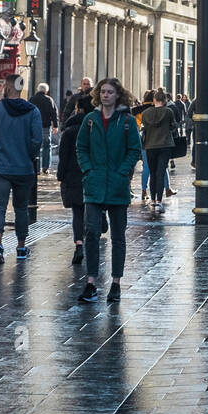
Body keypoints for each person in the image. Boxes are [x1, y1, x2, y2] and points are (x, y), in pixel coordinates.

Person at [75, 78, 142, 303]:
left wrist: (123, 172)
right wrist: (88, 169)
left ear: (117, 95)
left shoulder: (126, 121)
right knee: (91, 232)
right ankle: (91, 282)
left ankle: (116, 282)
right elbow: (81, 147)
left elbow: (135, 150)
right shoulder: (90, 120)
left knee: (118, 237)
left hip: (117, 186)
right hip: (93, 185)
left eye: (110, 92)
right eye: (102, 92)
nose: (105, 95)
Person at [0, 73, 42, 263]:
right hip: (23, 168)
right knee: (21, 208)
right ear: (21, 88)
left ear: (7, 88)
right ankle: (21, 246)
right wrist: (28, 156)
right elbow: (37, 141)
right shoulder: (33, 112)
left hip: (0, 167)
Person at [58, 95, 93, 266]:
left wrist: (60, 175)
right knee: (92, 209)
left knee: (77, 212)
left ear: (79, 109)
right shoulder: (95, 129)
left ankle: (79, 243)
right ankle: (93, 236)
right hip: (91, 174)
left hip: (72, 175)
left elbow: (62, 156)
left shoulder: (69, 131)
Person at [140, 89, 176, 214]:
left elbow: (143, 128)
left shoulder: (145, 113)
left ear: (154, 100)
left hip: (150, 145)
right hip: (165, 145)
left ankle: (153, 199)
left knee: (153, 173)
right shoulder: (168, 112)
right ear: (165, 100)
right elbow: (173, 126)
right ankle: (159, 201)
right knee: (161, 172)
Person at [31, 82, 59, 174]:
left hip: (34, 127)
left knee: (36, 147)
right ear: (46, 91)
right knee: (47, 146)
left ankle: (37, 167)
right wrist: (55, 125)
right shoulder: (49, 100)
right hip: (46, 127)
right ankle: (45, 167)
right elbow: (54, 113)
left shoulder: (32, 99)